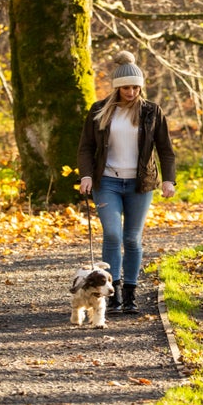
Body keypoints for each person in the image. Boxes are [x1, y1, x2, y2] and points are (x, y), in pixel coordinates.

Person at [77, 51, 176, 314]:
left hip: (139, 184)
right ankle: (113, 294)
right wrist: (86, 175)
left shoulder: (151, 111)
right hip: (107, 182)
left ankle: (130, 294)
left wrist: (169, 180)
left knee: (132, 239)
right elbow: (86, 147)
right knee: (112, 234)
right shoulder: (99, 110)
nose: (131, 92)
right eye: (126, 88)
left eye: (135, 87)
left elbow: (165, 150)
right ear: (117, 88)